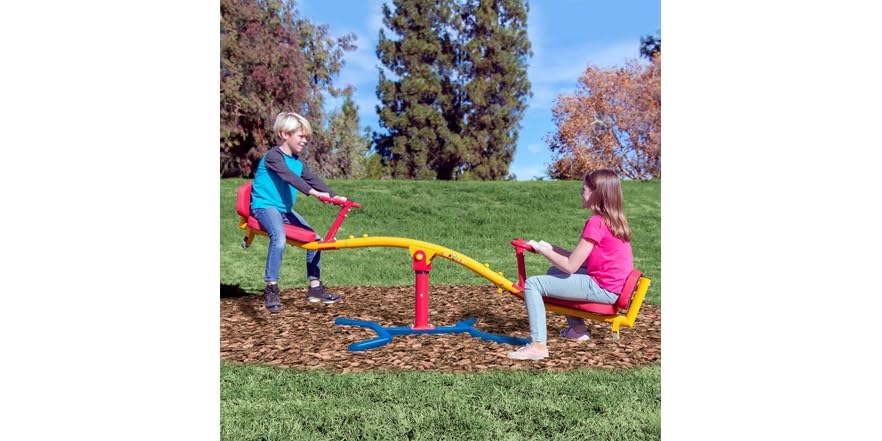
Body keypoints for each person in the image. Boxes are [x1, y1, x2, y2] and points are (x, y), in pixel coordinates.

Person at [508, 169, 633, 360]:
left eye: (584, 189)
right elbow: (578, 258)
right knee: (553, 271)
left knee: (533, 284)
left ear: (597, 193)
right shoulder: (612, 221)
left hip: (603, 288)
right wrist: (549, 247)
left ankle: (538, 346)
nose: (581, 192)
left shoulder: (596, 223)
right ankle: (577, 330)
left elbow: (570, 266)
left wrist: (543, 251)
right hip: (612, 286)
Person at [250, 111, 348, 313]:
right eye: (301, 136)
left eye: (306, 137)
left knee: (316, 240)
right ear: (284, 134)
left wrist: (333, 196)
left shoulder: (297, 163)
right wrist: (314, 193)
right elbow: (289, 178)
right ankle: (271, 287)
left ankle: (315, 288)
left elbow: (313, 179)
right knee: (279, 238)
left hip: (285, 211)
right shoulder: (273, 157)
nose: (305, 141)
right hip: (265, 206)